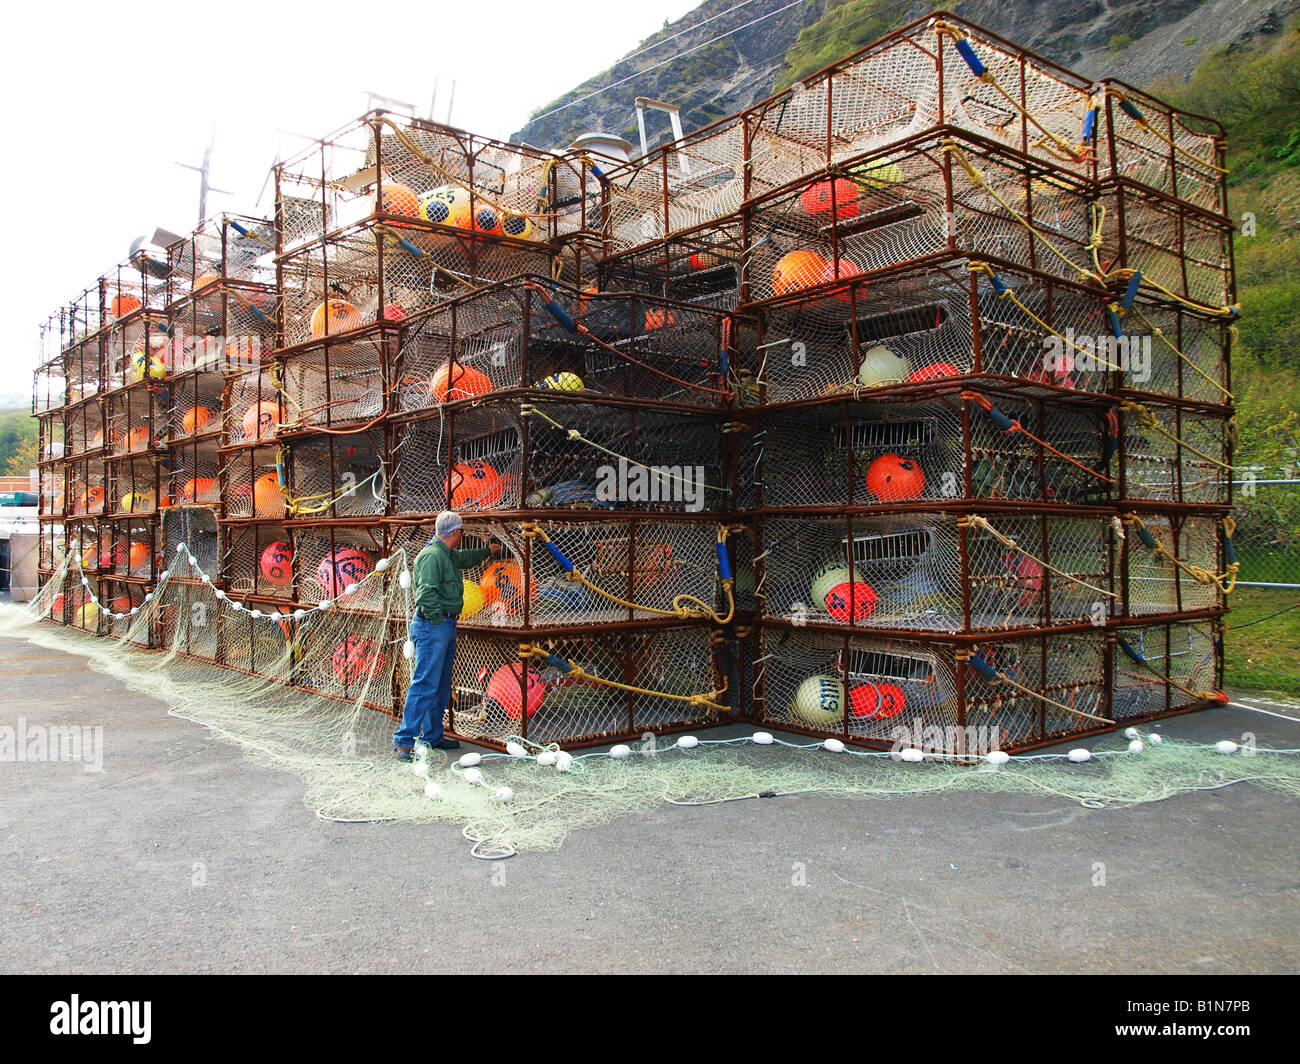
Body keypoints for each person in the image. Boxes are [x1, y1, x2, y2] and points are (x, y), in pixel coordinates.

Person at [394, 510, 501, 760]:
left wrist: (489, 551)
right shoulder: (432, 557)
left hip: (444, 625)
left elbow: (465, 558)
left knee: (440, 686)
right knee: (425, 684)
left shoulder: (447, 554)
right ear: (455, 533)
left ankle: (432, 736)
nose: (462, 536)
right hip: (434, 625)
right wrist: (437, 619)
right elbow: (425, 595)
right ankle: (404, 740)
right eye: (461, 531)